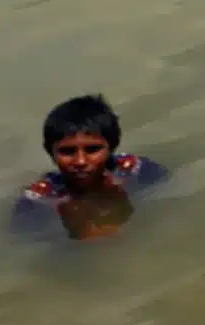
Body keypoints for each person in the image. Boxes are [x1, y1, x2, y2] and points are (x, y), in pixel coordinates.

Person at [15, 94, 168, 239]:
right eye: (67, 151)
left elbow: (166, 206)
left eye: (92, 149)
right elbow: (27, 239)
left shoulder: (134, 170)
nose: (80, 161)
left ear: (112, 147)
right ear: (51, 153)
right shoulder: (41, 198)